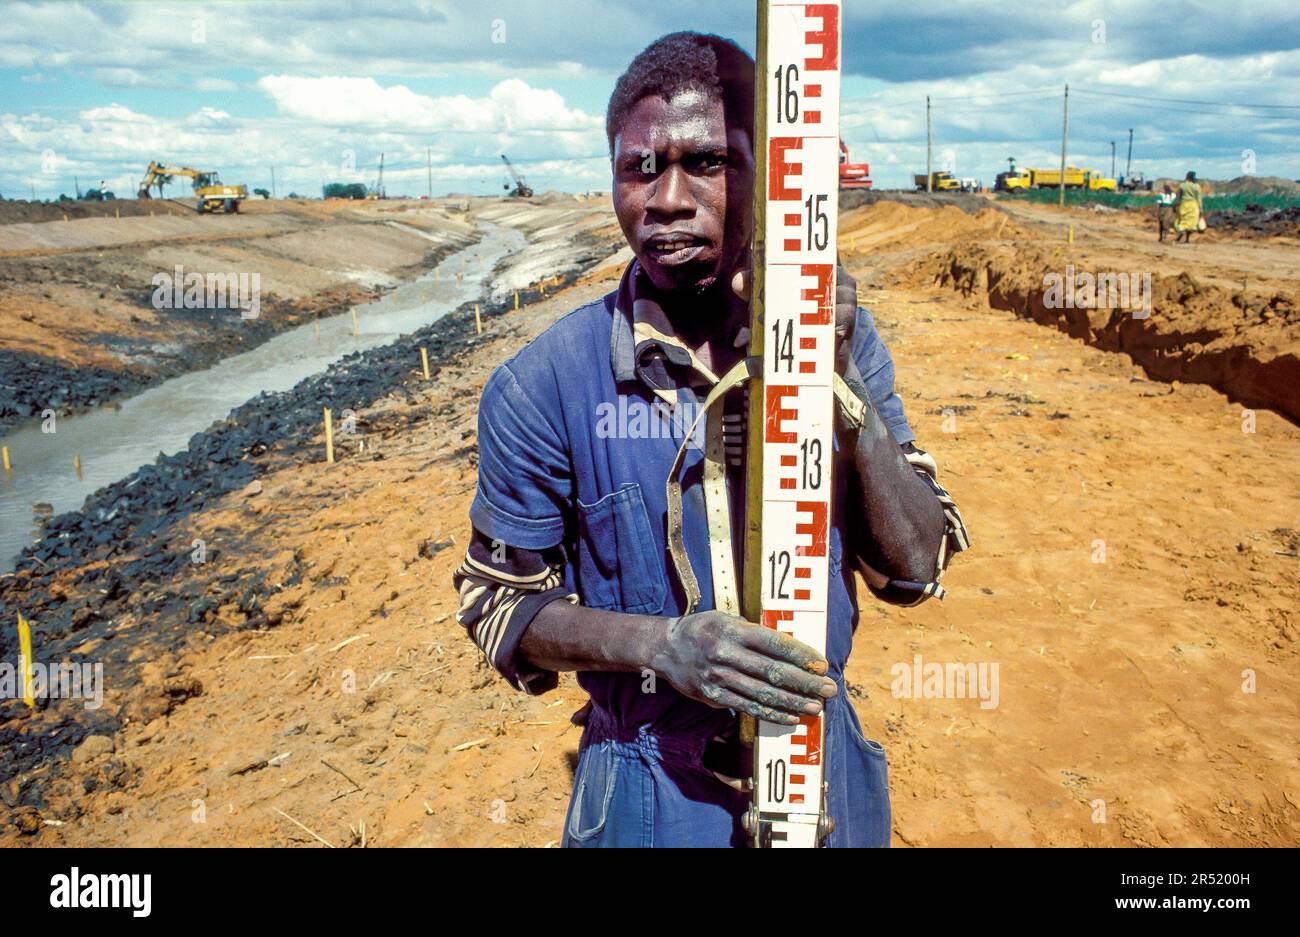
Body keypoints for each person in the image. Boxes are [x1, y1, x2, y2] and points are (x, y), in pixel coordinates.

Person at [452, 31, 969, 848]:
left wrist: (840, 383)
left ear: (769, 173)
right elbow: (496, 605)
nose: (667, 197)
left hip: (822, 771)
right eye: (640, 167)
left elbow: (913, 569)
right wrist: (664, 646)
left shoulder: (843, 346)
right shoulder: (544, 382)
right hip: (645, 789)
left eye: (708, 161)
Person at [1174, 171, 1203, 243]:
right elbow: (1199, 198)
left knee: (1182, 220)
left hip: (1184, 205)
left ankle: (1181, 231)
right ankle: (1187, 239)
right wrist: (1201, 208)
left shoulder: (1182, 185)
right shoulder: (1197, 186)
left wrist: (1176, 205)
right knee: (1191, 223)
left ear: (1187, 177)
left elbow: (1178, 197)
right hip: (1194, 206)